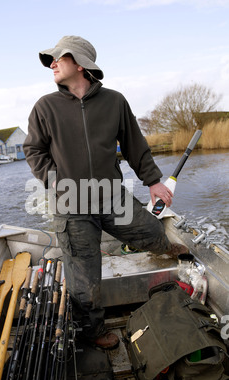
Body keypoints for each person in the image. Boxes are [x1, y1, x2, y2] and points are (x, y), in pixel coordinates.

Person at [23, 36, 188, 350]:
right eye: (51, 60)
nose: (52, 64)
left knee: (153, 233)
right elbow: (33, 150)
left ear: (80, 63)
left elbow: (135, 147)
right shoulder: (46, 106)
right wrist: (54, 180)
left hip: (112, 196)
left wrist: (154, 182)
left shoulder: (115, 101)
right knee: (85, 280)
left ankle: (167, 250)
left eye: (58, 58)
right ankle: (93, 331)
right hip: (71, 204)